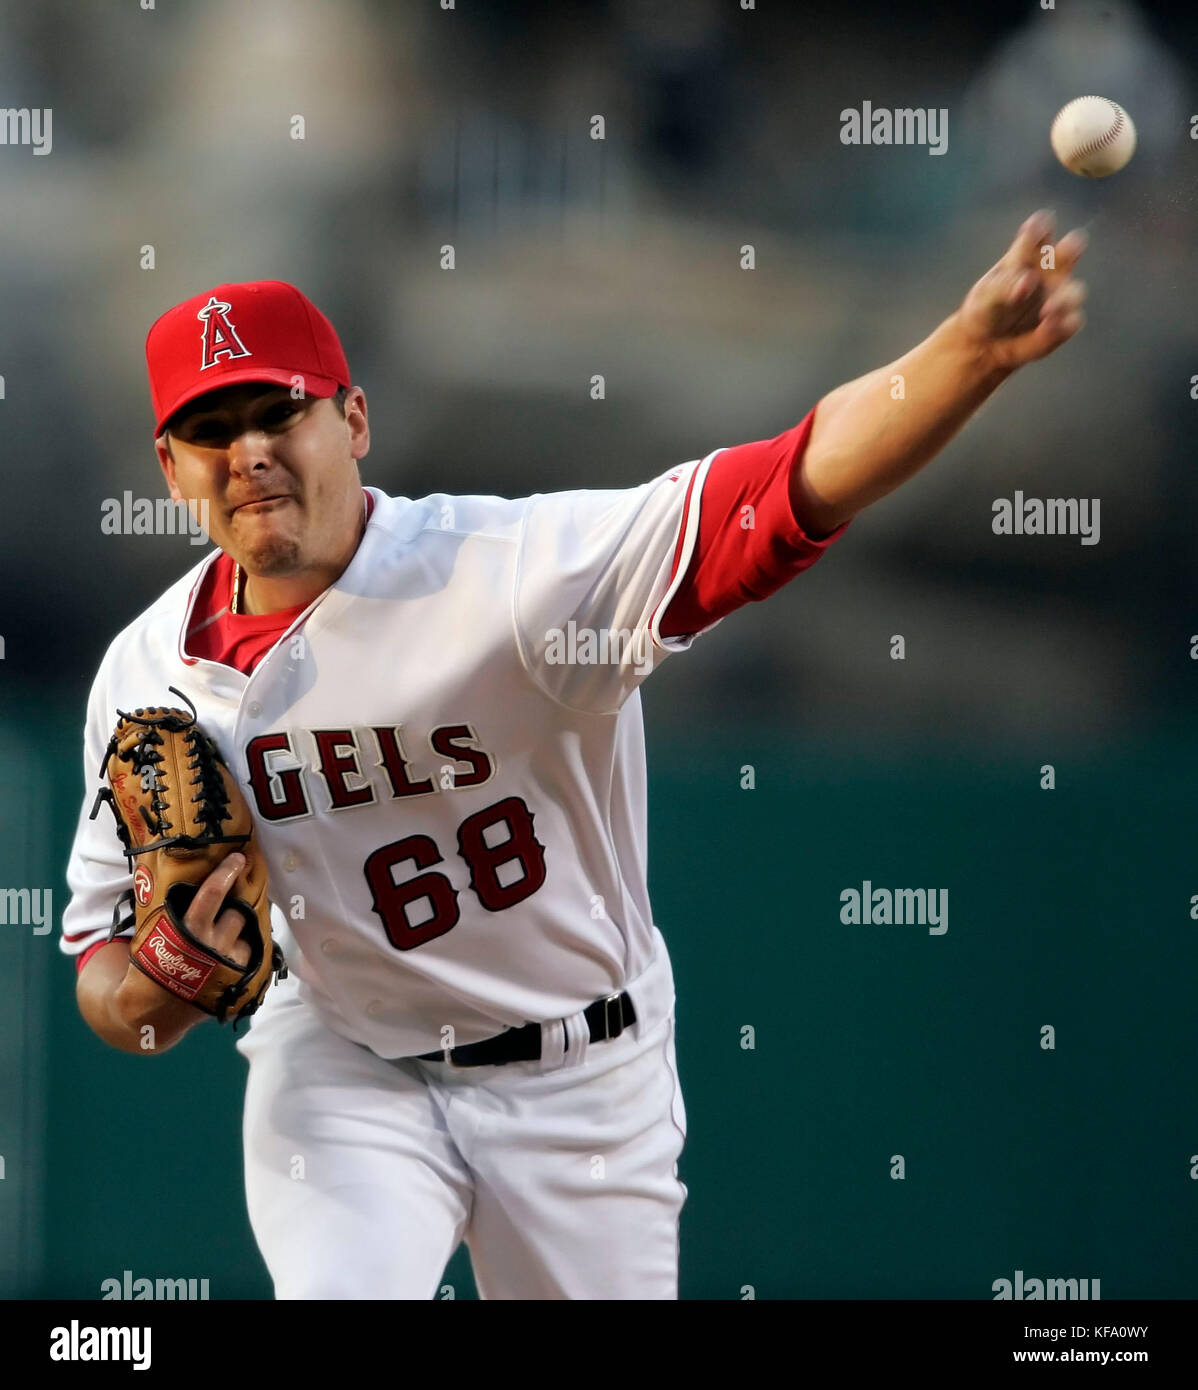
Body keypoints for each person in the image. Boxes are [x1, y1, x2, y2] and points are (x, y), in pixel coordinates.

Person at [61, 212, 1087, 1299]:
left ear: (353, 420)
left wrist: (969, 355)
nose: (251, 450)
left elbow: (783, 488)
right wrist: (159, 983)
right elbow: (105, 976)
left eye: (280, 411)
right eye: (213, 428)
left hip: (580, 1074)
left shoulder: (509, 578)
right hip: (345, 1061)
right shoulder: (142, 678)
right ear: (172, 468)